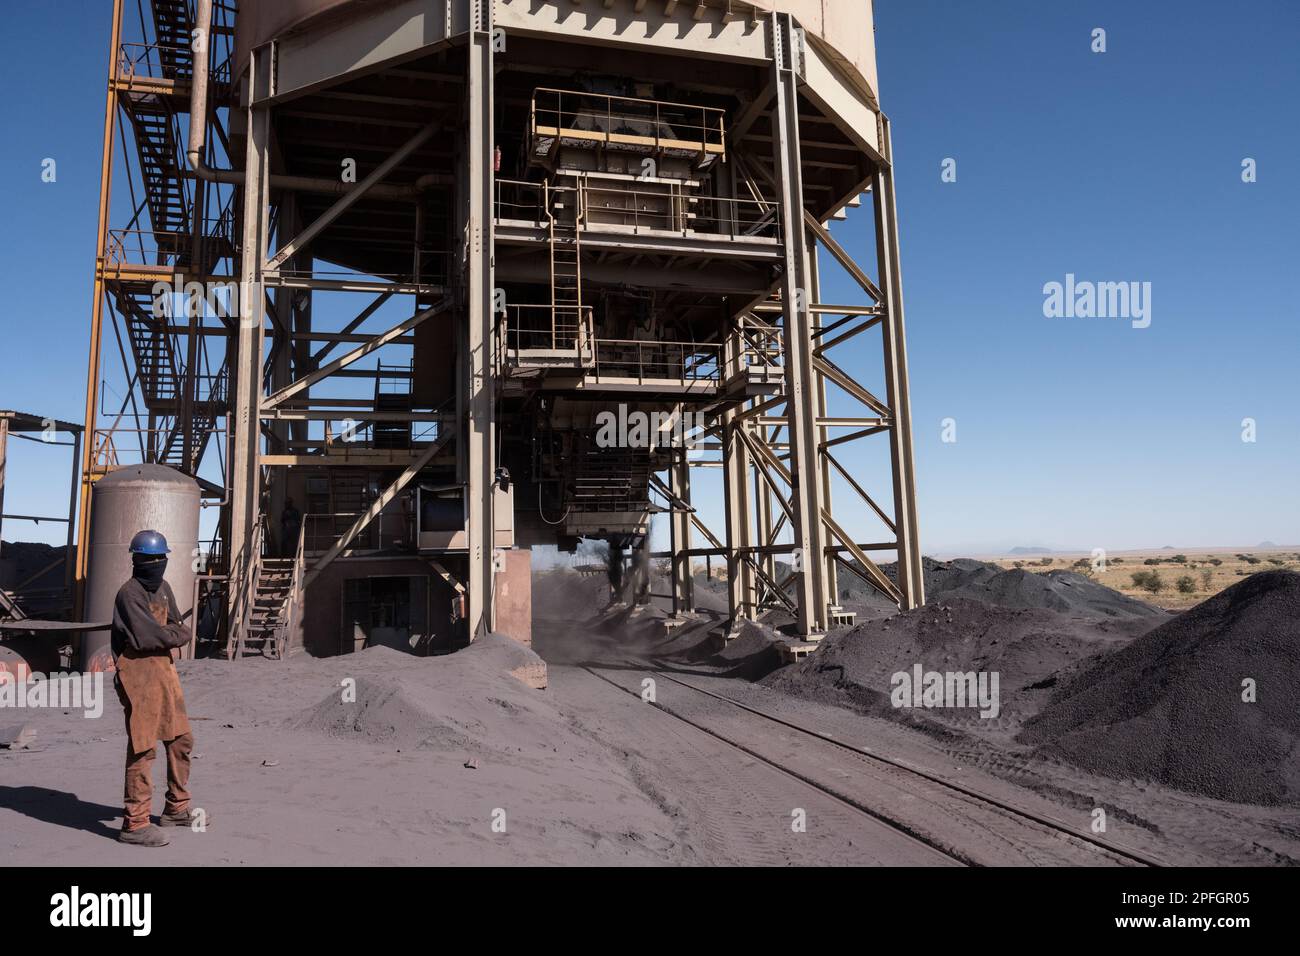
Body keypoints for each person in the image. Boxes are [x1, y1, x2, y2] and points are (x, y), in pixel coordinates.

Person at [110, 529, 201, 847]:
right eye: (151, 559)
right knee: (143, 746)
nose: (156, 564)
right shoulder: (129, 593)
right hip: (137, 673)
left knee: (181, 739)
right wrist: (176, 635)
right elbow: (148, 638)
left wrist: (172, 633)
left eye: (161, 558)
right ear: (137, 561)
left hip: (164, 671)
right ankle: (134, 823)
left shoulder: (163, 588)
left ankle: (176, 808)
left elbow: (173, 625)